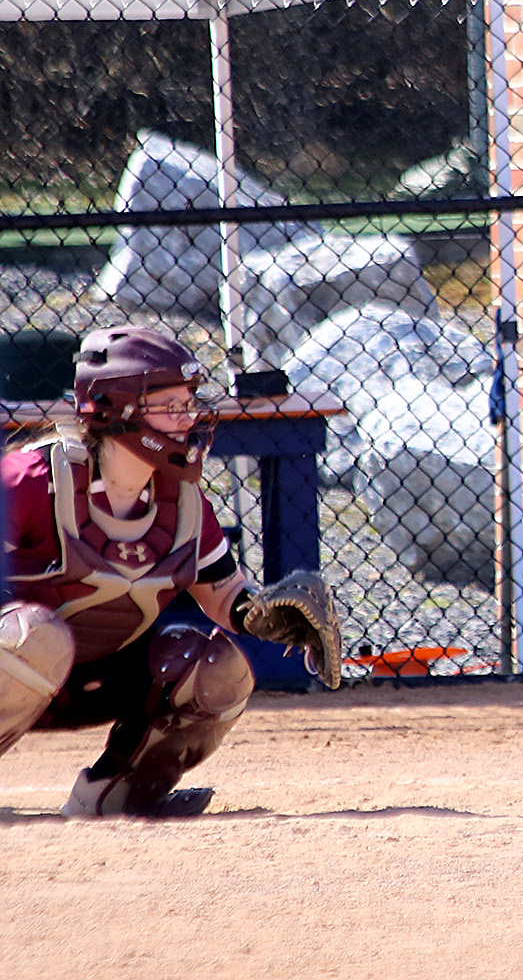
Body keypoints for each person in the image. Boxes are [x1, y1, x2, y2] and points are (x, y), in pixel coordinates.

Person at [0, 326, 341, 817]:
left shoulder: (180, 502)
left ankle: (114, 797)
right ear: (113, 408)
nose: (187, 420)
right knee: (35, 636)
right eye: (169, 405)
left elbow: (223, 595)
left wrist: (267, 616)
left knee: (215, 666)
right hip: (17, 666)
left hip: (84, 683)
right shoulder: (33, 481)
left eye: (190, 403)